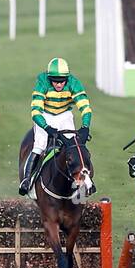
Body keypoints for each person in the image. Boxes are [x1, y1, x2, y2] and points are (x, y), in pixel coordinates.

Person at [19, 57, 91, 195]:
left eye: (62, 81)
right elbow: (35, 112)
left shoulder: (74, 83)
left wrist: (85, 127)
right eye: (55, 81)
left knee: (74, 145)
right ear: (49, 77)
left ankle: (86, 180)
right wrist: (46, 127)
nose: (58, 85)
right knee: (39, 145)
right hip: (44, 115)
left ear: (67, 78)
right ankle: (27, 180)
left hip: (65, 115)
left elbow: (85, 108)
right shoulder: (42, 82)